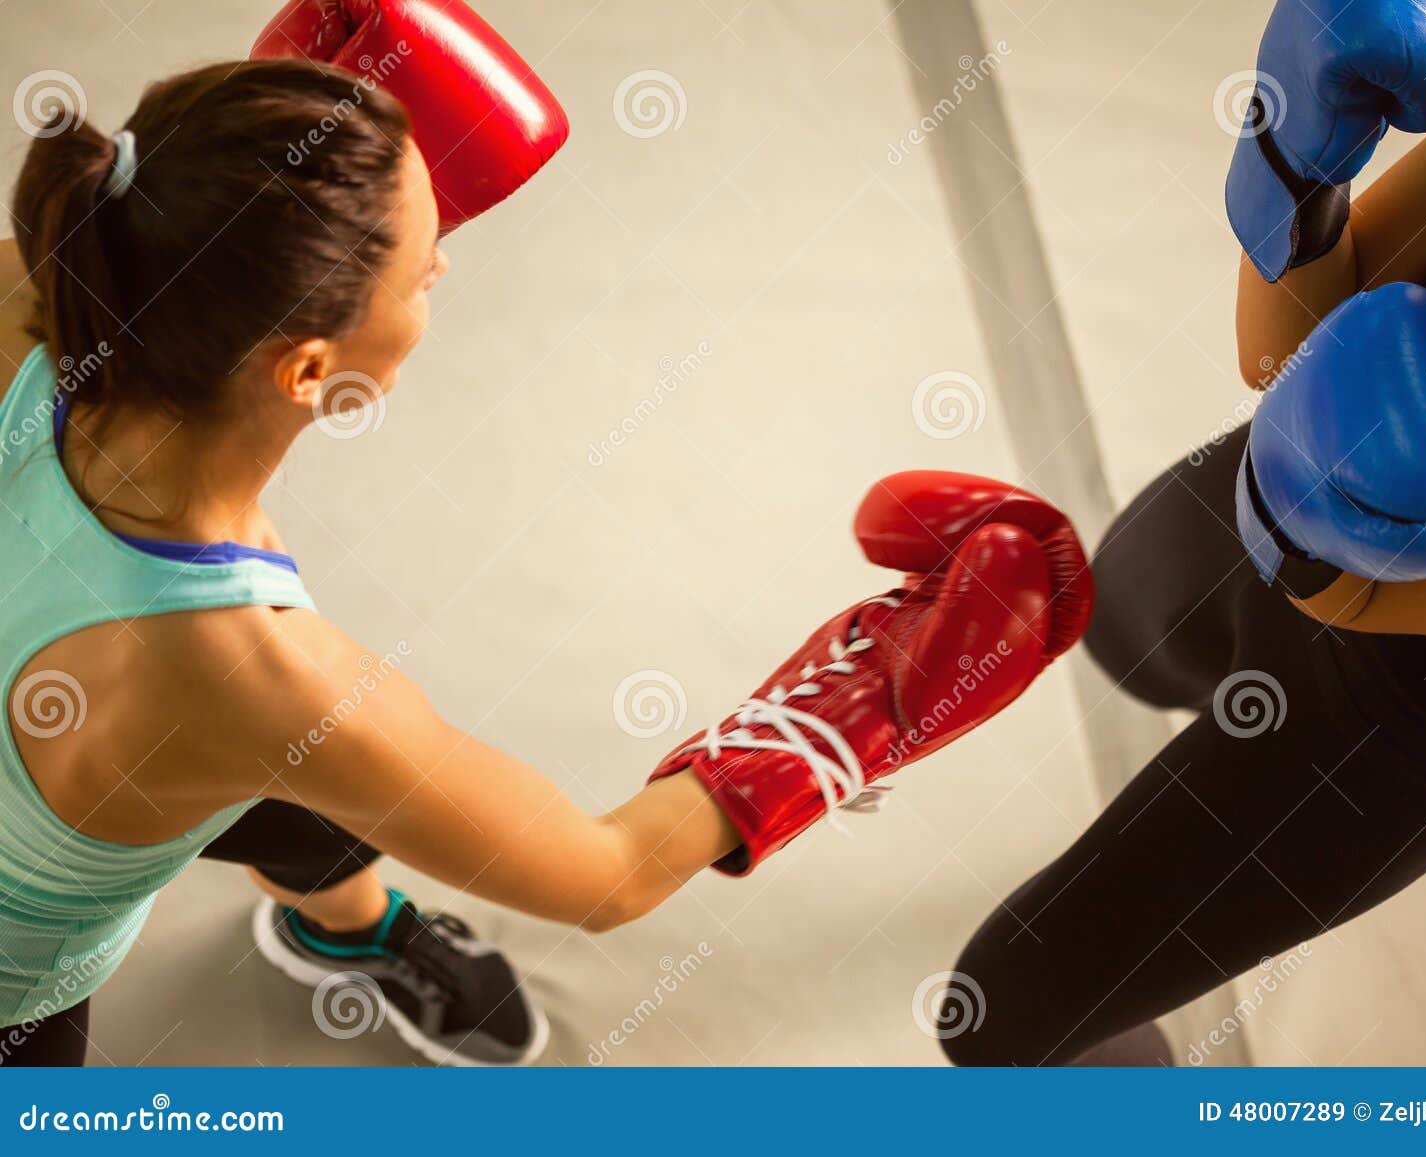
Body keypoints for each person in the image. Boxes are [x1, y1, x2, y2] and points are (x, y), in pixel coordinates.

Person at [0, 15, 1094, 1068]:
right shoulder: (269, 680)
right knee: (309, 763)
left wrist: (268, 194)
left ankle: (346, 922)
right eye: (424, 267)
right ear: (302, 368)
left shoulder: (41, 284)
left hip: (71, 743)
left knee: (292, 783)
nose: (443, 270)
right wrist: (852, 715)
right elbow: (603, 873)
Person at [944, 0, 1426, 1066]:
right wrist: (1294, 171)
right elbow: (1279, 363)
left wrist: (1312, 517)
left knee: (1002, 1014)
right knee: (1116, 621)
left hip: (1395, 721)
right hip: (1294, 480)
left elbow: (1365, 590)